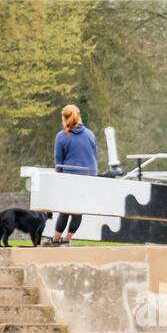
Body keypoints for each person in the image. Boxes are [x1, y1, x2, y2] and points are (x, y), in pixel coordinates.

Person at [51, 104, 98, 245]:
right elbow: (93, 157)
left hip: (70, 178)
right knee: (77, 211)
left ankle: (55, 240)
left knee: (65, 210)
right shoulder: (90, 134)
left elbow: (58, 162)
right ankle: (66, 240)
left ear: (64, 118)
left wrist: (58, 179)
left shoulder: (62, 136)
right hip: (89, 178)